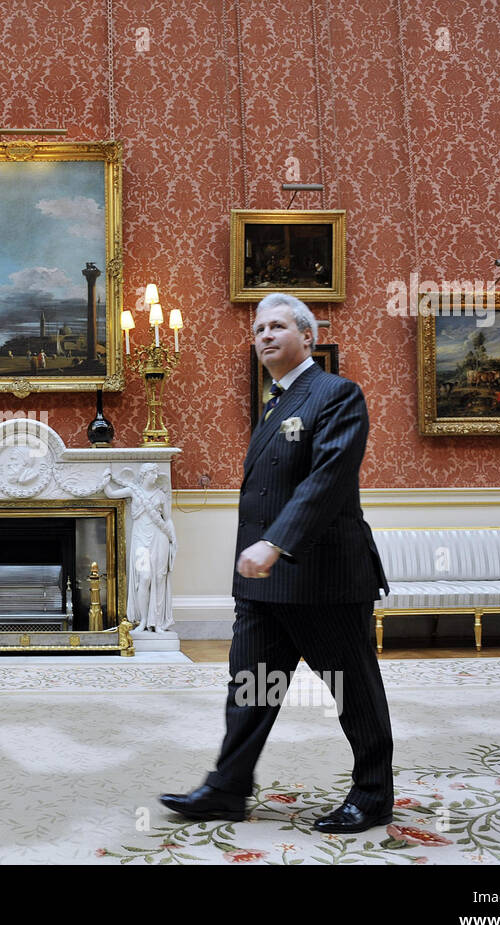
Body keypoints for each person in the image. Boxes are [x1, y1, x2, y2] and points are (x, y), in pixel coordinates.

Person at [160, 292, 394, 834]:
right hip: (264, 590)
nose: (264, 335)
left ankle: (373, 795)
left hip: (324, 580)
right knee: (250, 686)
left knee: (351, 688)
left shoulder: (337, 395)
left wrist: (276, 543)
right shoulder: (273, 403)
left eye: (278, 327)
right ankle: (227, 789)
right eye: (259, 328)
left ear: (307, 337)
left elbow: (327, 480)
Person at [103, 464, 176, 632]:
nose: (156, 476)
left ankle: (156, 622)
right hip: (140, 541)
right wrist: (106, 479)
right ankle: (143, 620)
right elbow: (111, 494)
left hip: (159, 538)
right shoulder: (133, 491)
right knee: (144, 578)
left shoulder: (160, 495)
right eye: (153, 473)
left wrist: (173, 539)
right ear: (144, 475)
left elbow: (168, 518)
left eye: (157, 473)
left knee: (159, 579)